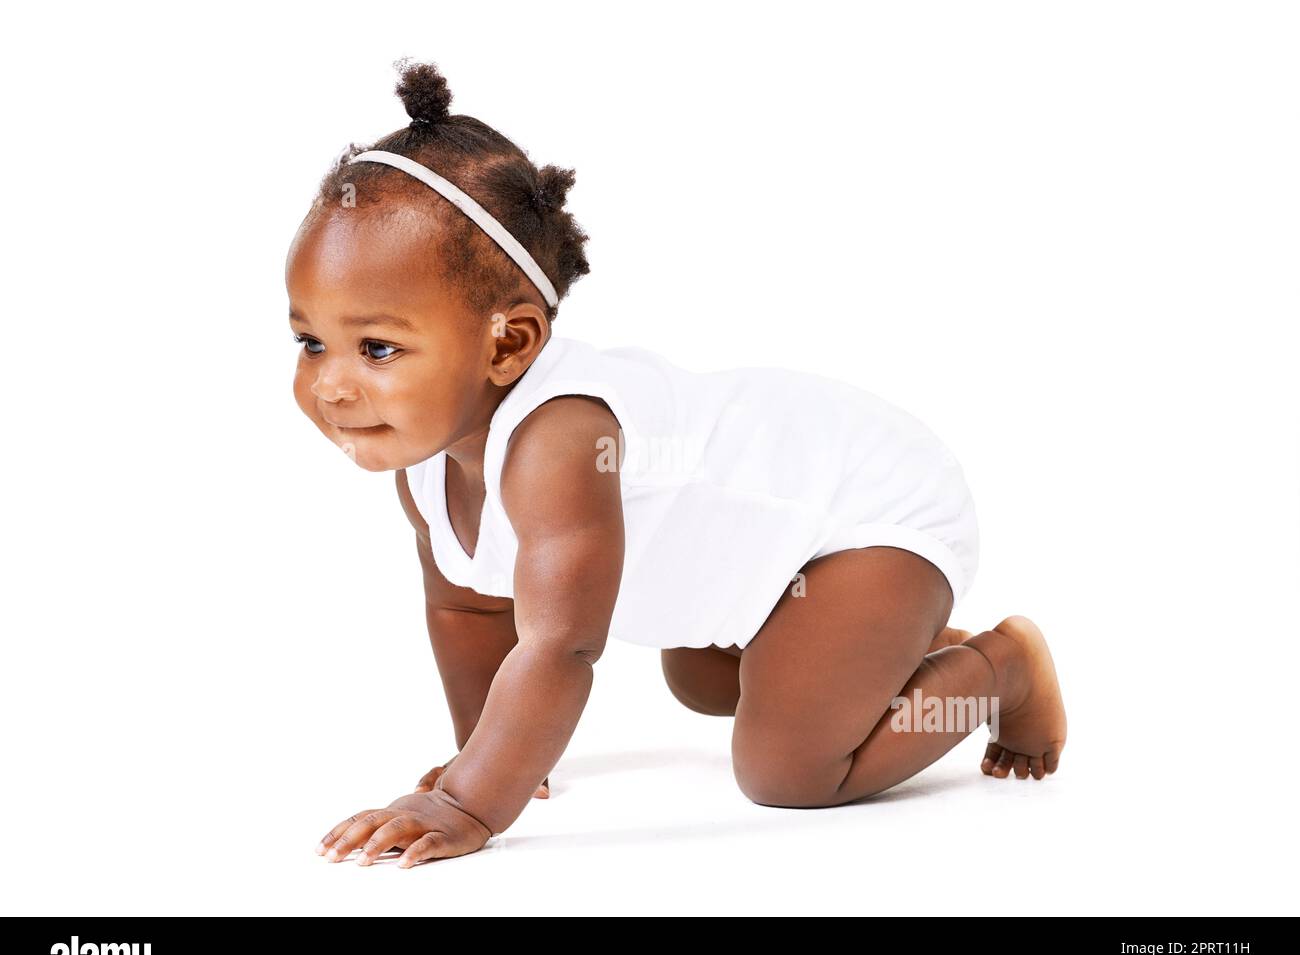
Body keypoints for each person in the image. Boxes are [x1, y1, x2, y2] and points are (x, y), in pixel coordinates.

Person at [289, 59, 1068, 869]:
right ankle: (885, 646)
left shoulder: (559, 440)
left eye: (377, 348)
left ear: (509, 343)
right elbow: (472, 611)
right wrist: (493, 751)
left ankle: (998, 665)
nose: (333, 385)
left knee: (790, 767)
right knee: (703, 683)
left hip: (869, 514)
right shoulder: (424, 459)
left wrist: (469, 800)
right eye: (311, 341)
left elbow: (560, 647)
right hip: (779, 555)